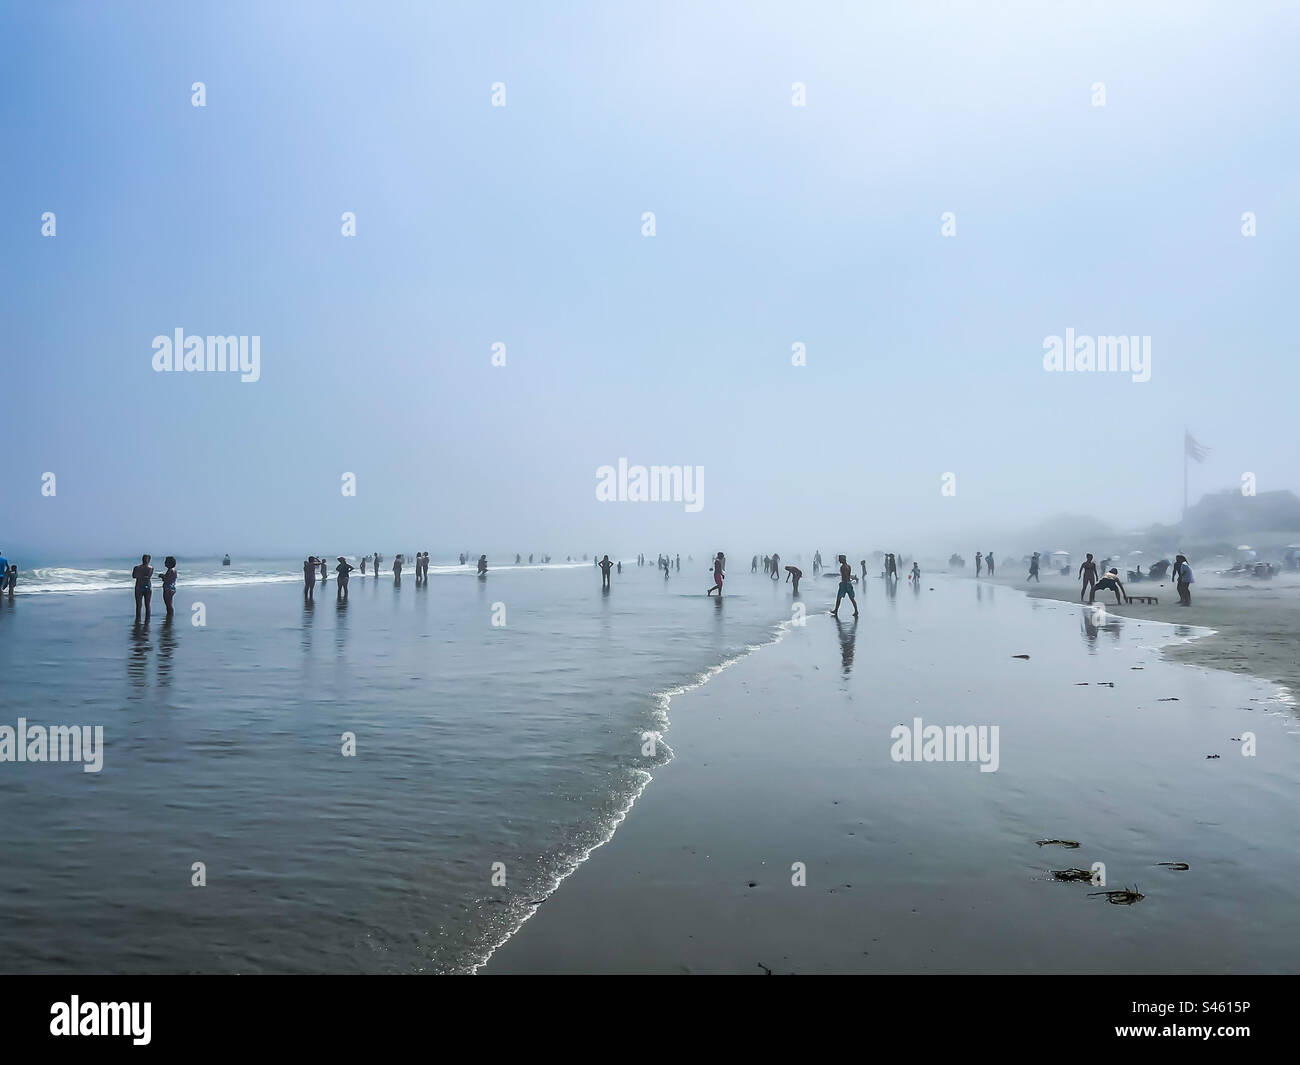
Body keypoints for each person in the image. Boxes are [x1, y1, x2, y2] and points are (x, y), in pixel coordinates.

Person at [831, 554, 858, 619]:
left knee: (839, 598)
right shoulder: (849, 566)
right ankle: (856, 611)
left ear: (842, 559)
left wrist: (843, 583)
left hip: (844, 584)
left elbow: (845, 576)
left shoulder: (843, 567)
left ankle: (836, 611)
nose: (839, 560)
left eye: (840, 559)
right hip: (848, 583)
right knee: (852, 598)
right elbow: (848, 575)